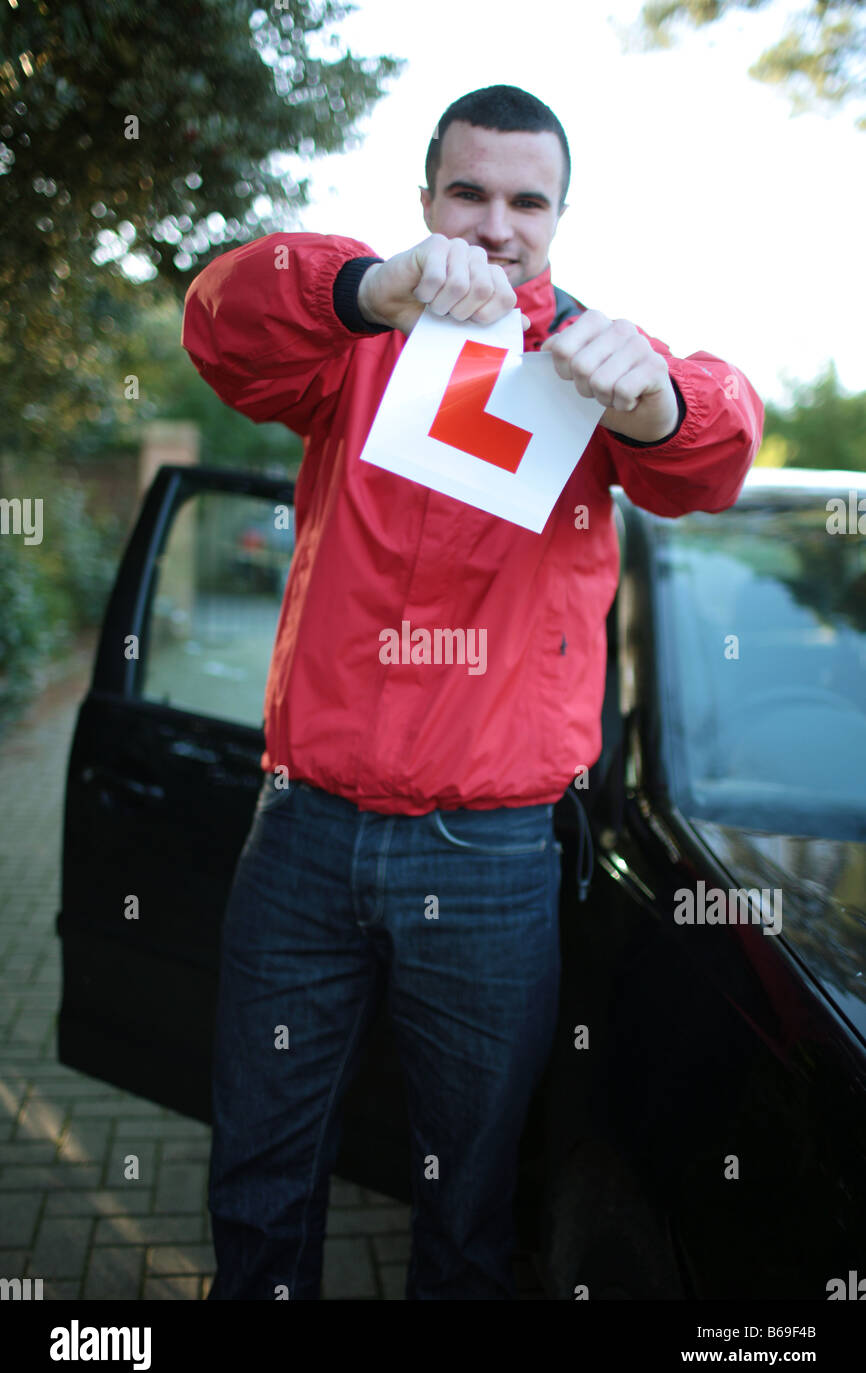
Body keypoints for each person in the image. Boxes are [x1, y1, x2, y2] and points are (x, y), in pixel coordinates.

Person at [181, 83, 764, 1301]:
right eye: (467, 192)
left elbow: (712, 455)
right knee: (257, 1173)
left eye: (524, 200)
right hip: (304, 831)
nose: (494, 224)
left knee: (469, 1205)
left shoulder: (596, 367)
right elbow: (222, 320)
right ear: (426, 198)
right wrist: (364, 288)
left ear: (558, 217)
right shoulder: (357, 347)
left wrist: (653, 397)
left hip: (487, 860)